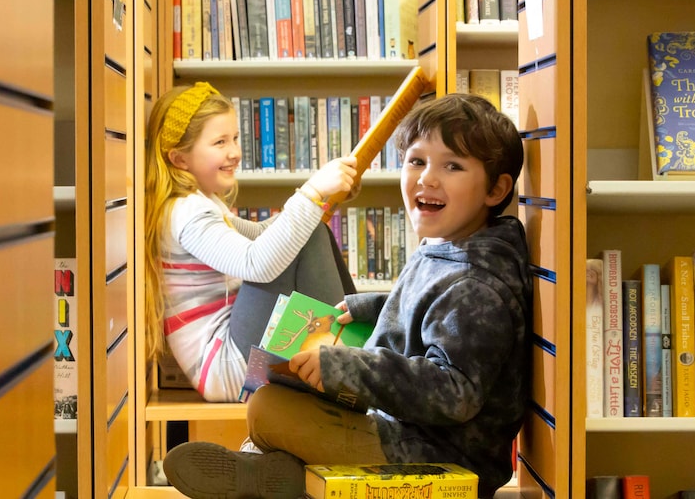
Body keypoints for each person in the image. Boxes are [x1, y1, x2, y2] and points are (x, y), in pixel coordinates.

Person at [162, 93, 532, 499]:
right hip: (404, 428)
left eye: (453, 166)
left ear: (497, 190)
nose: (427, 178)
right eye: (417, 161)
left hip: (436, 459)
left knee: (268, 413)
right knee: (269, 404)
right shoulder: (449, 249)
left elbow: (454, 394)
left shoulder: (476, 284)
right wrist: (367, 307)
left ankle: (272, 472)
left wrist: (347, 367)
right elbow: (422, 312)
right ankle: (277, 473)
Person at [144, 81, 360, 403]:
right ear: (180, 159)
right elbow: (256, 263)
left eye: (234, 138)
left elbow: (262, 235)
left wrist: (323, 200)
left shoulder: (199, 202)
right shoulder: (186, 212)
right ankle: (354, 363)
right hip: (227, 367)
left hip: (234, 351)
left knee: (312, 228)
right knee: (309, 233)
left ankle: (357, 354)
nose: (234, 152)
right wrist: (312, 192)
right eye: (219, 142)